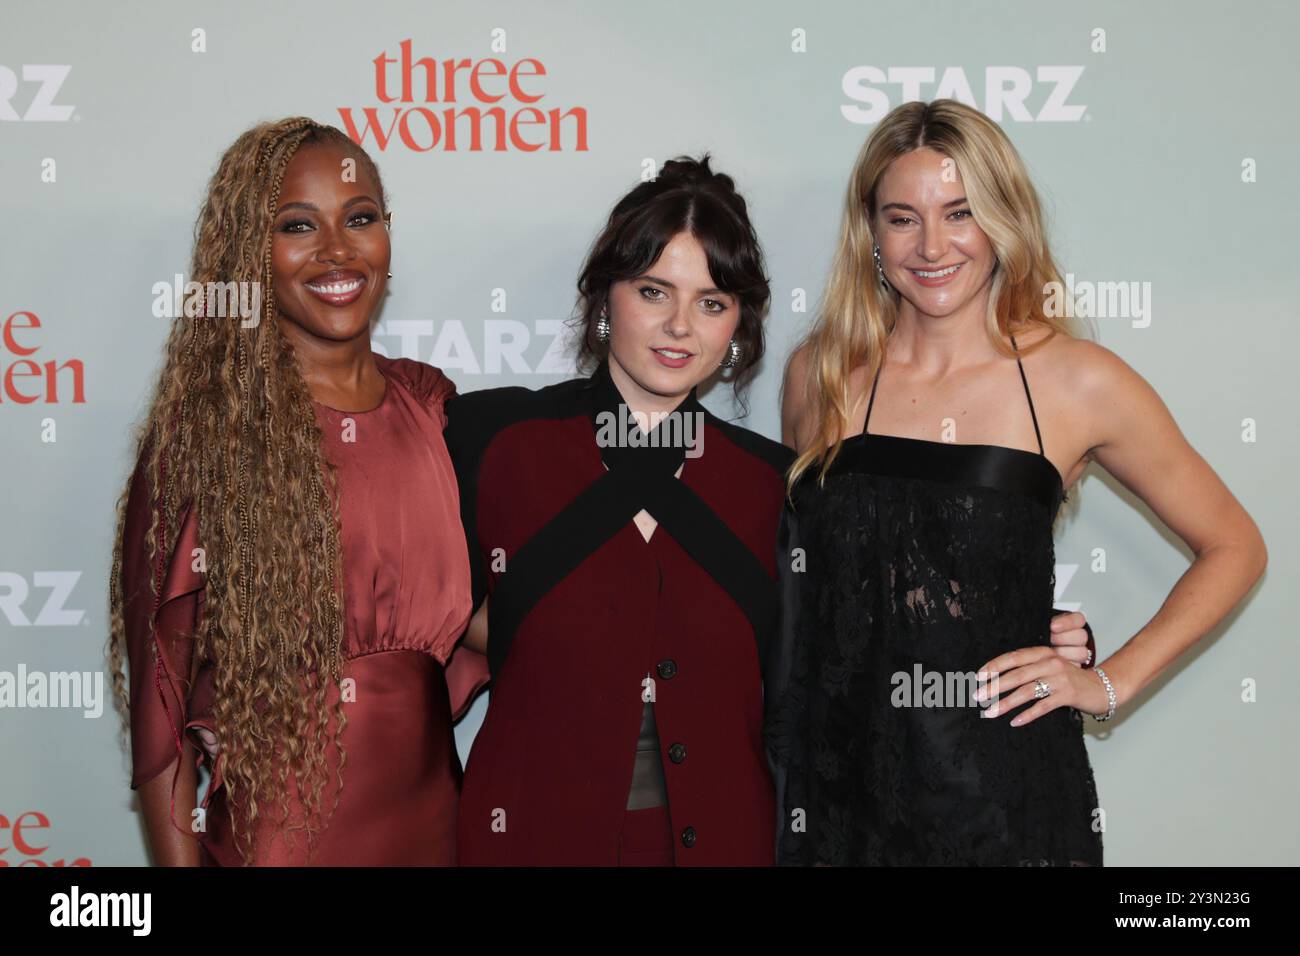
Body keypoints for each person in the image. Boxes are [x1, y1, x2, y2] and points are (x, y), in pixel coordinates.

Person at [446, 155, 1093, 866]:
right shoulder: (490, 442)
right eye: (653, 291)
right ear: (605, 299)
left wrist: (1020, 626)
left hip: (729, 844)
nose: (679, 327)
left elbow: (852, 630)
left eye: (713, 302)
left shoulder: (769, 484)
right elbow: (415, 611)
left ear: (739, 329)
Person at [769, 99, 1267, 865]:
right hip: (836, 796)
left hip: (1000, 803)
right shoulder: (821, 375)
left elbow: (1235, 546)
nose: (932, 245)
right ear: (870, 231)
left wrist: (1105, 682)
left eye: (960, 213)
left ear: (1002, 219)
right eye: (903, 217)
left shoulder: (1076, 381)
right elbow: (816, 587)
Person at [108, 118, 474, 865]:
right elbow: (162, 716)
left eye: (360, 218)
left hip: (443, 831)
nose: (338, 251)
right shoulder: (202, 439)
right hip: (284, 846)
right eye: (297, 226)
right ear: (248, 254)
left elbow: (485, 621)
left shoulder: (431, 406)